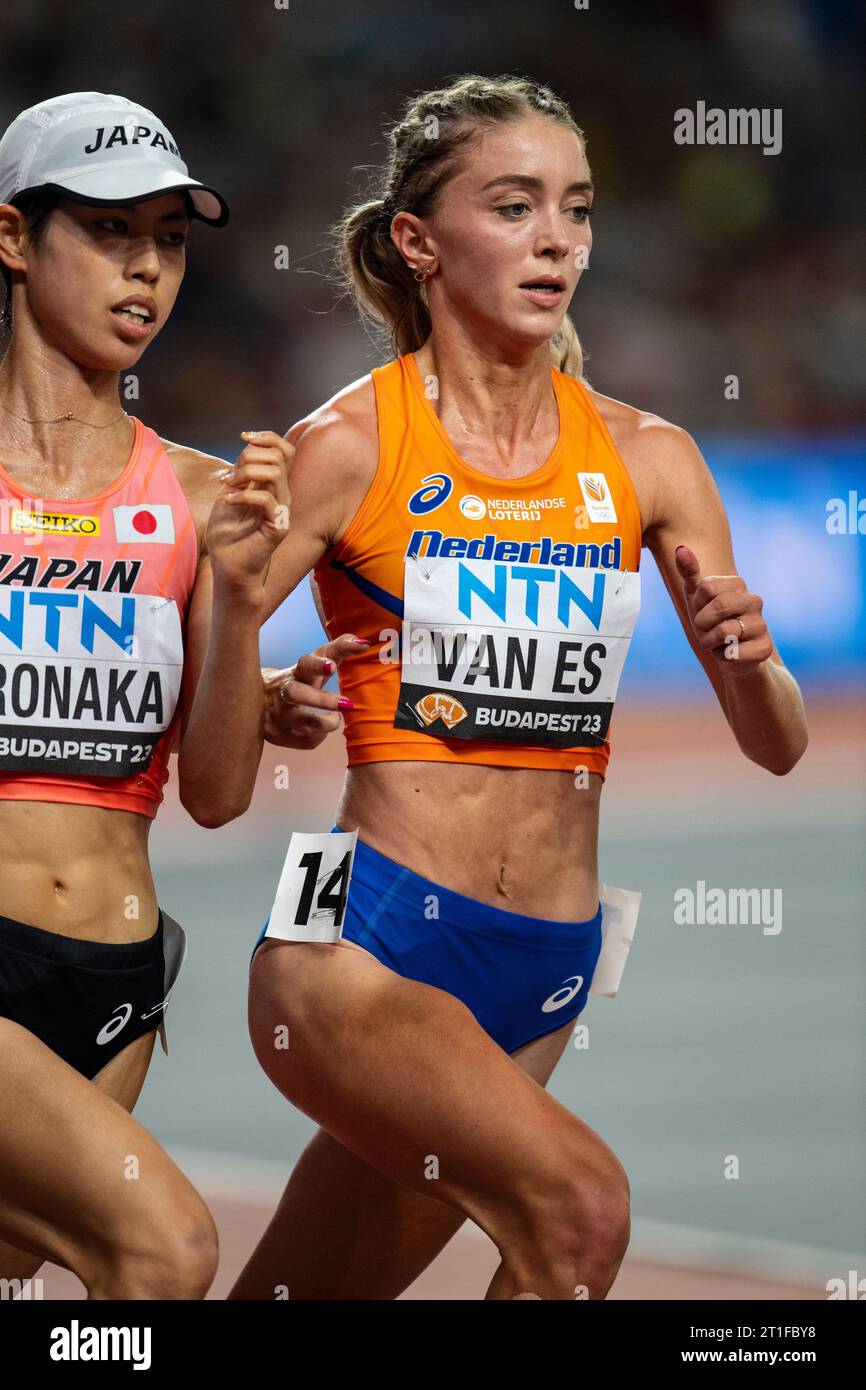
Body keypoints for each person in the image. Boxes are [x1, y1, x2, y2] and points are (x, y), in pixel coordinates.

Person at [231, 73, 808, 1302]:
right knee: (580, 1212)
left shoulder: (649, 456)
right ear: (416, 241)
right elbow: (207, 669)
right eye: (513, 205)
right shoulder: (350, 443)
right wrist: (266, 686)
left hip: (544, 957)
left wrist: (754, 662)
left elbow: (777, 748)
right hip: (355, 933)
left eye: (577, 209)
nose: (557, 239)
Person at [0, 91, 340, 1300]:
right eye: (106, 231)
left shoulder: (202, 499)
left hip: (118, 978)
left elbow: (215, 793)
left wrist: (240, 619)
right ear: (11, 237)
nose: (146, 267)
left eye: (171, 237)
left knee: (30, 1270)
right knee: (165, 1250)